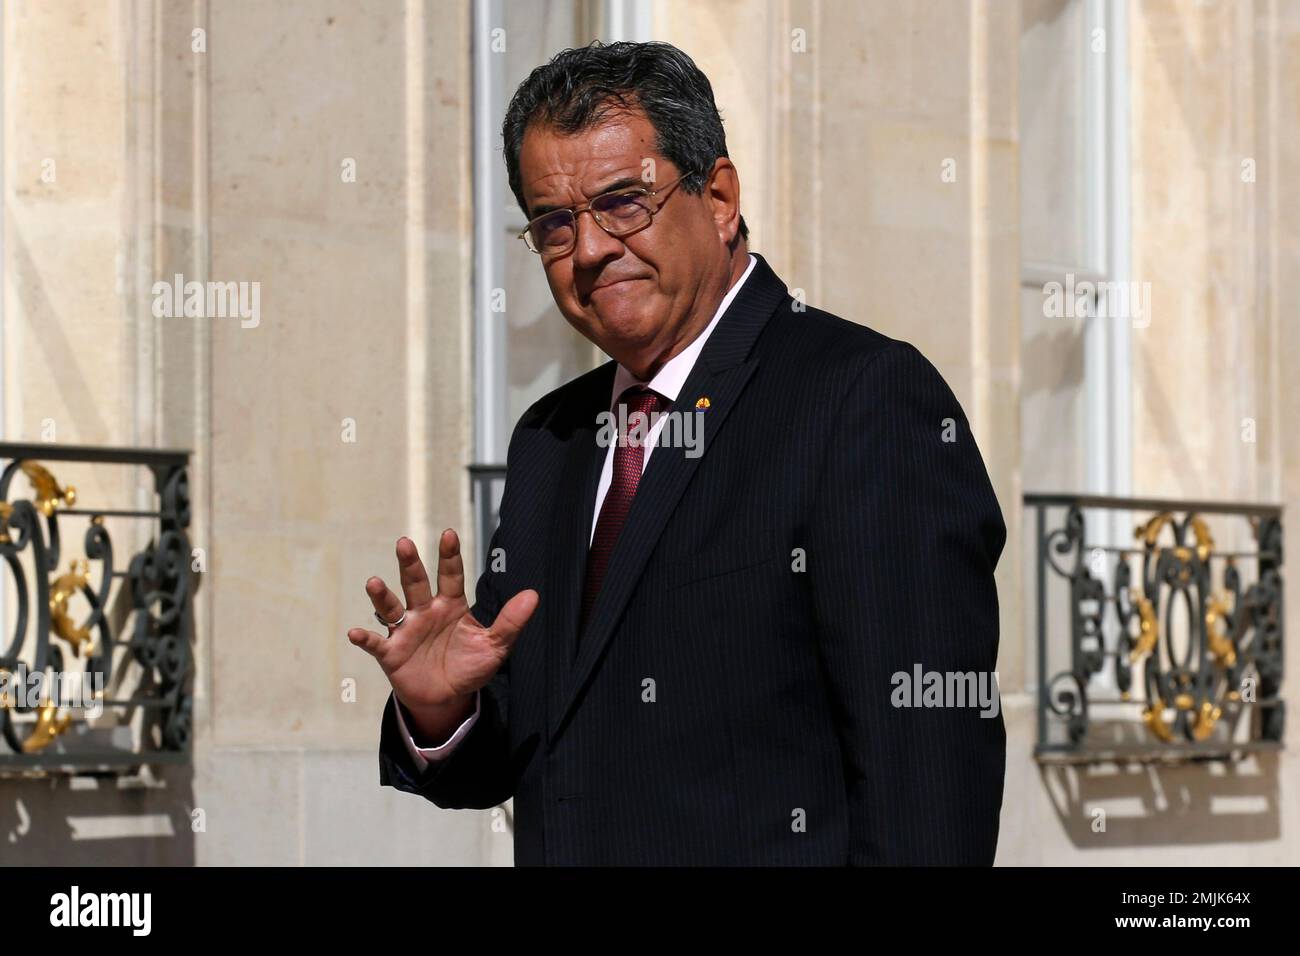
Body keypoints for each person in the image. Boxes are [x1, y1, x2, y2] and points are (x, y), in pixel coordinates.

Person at [348, 40, 1007, 865]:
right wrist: (444, 713)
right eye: (555, 224)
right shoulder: (551, 439)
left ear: (720, 197)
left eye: (624, 202)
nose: (589, 250)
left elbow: (928, 789)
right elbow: (536, 754)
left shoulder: (862, 401)